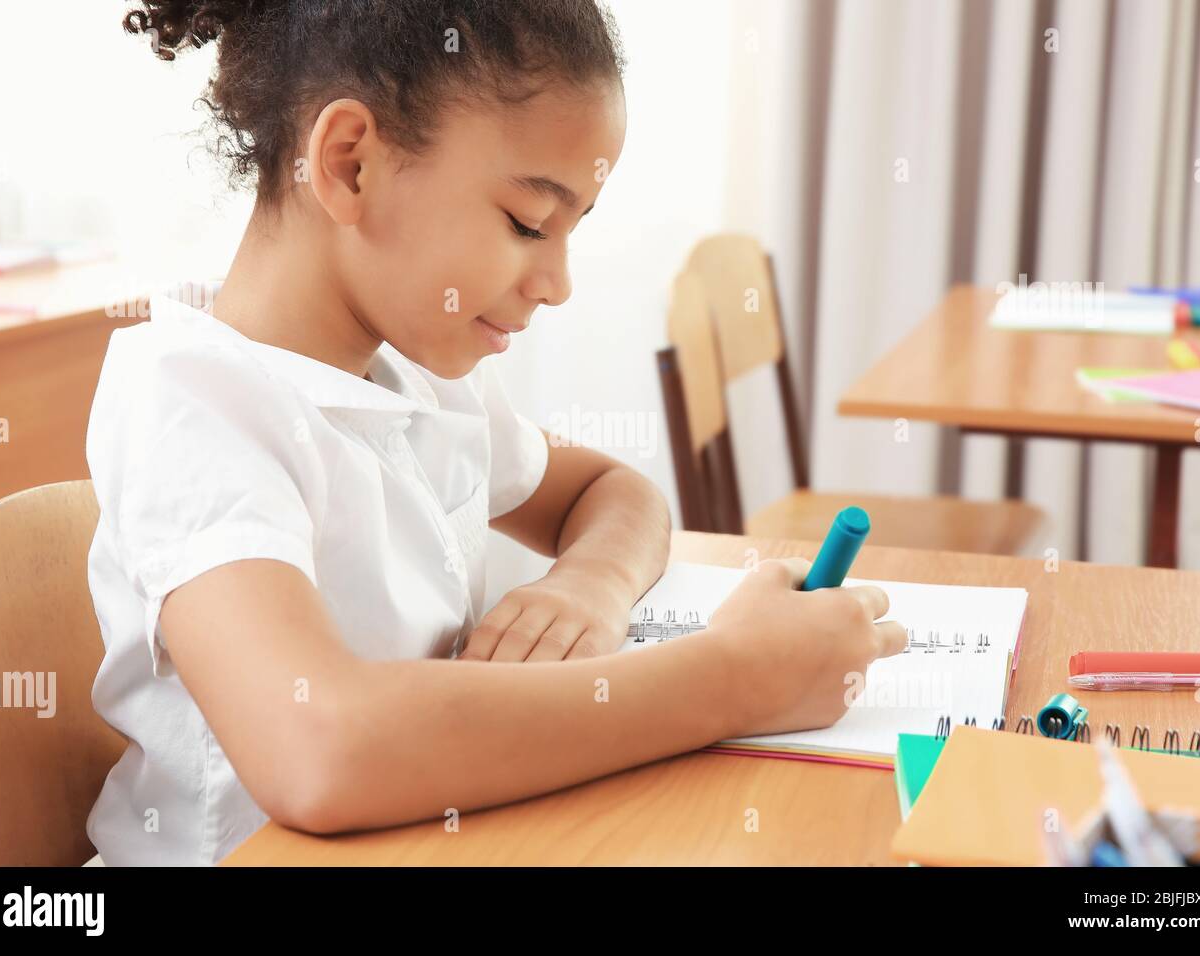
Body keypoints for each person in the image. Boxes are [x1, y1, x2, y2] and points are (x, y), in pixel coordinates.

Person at [85, 0, 907, 865]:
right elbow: (320, 752)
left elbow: (614, 494)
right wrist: (737, 679)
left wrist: (587, 588)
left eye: (571, 232)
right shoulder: (193, 402)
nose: (556, 283)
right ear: (350, 163)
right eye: (526, 223)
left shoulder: (422, 382)